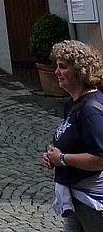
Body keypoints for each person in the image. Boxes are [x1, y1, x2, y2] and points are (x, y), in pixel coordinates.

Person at [43, 40, 103, 231]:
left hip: (93, 199)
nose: (56, 72)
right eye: (56, 66)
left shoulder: (90, 111)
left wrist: (61, 158)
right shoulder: (72, 104)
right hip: (76, 195)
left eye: (63, 67)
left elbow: (100, 159)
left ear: (79, 71)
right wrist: (54, 157)